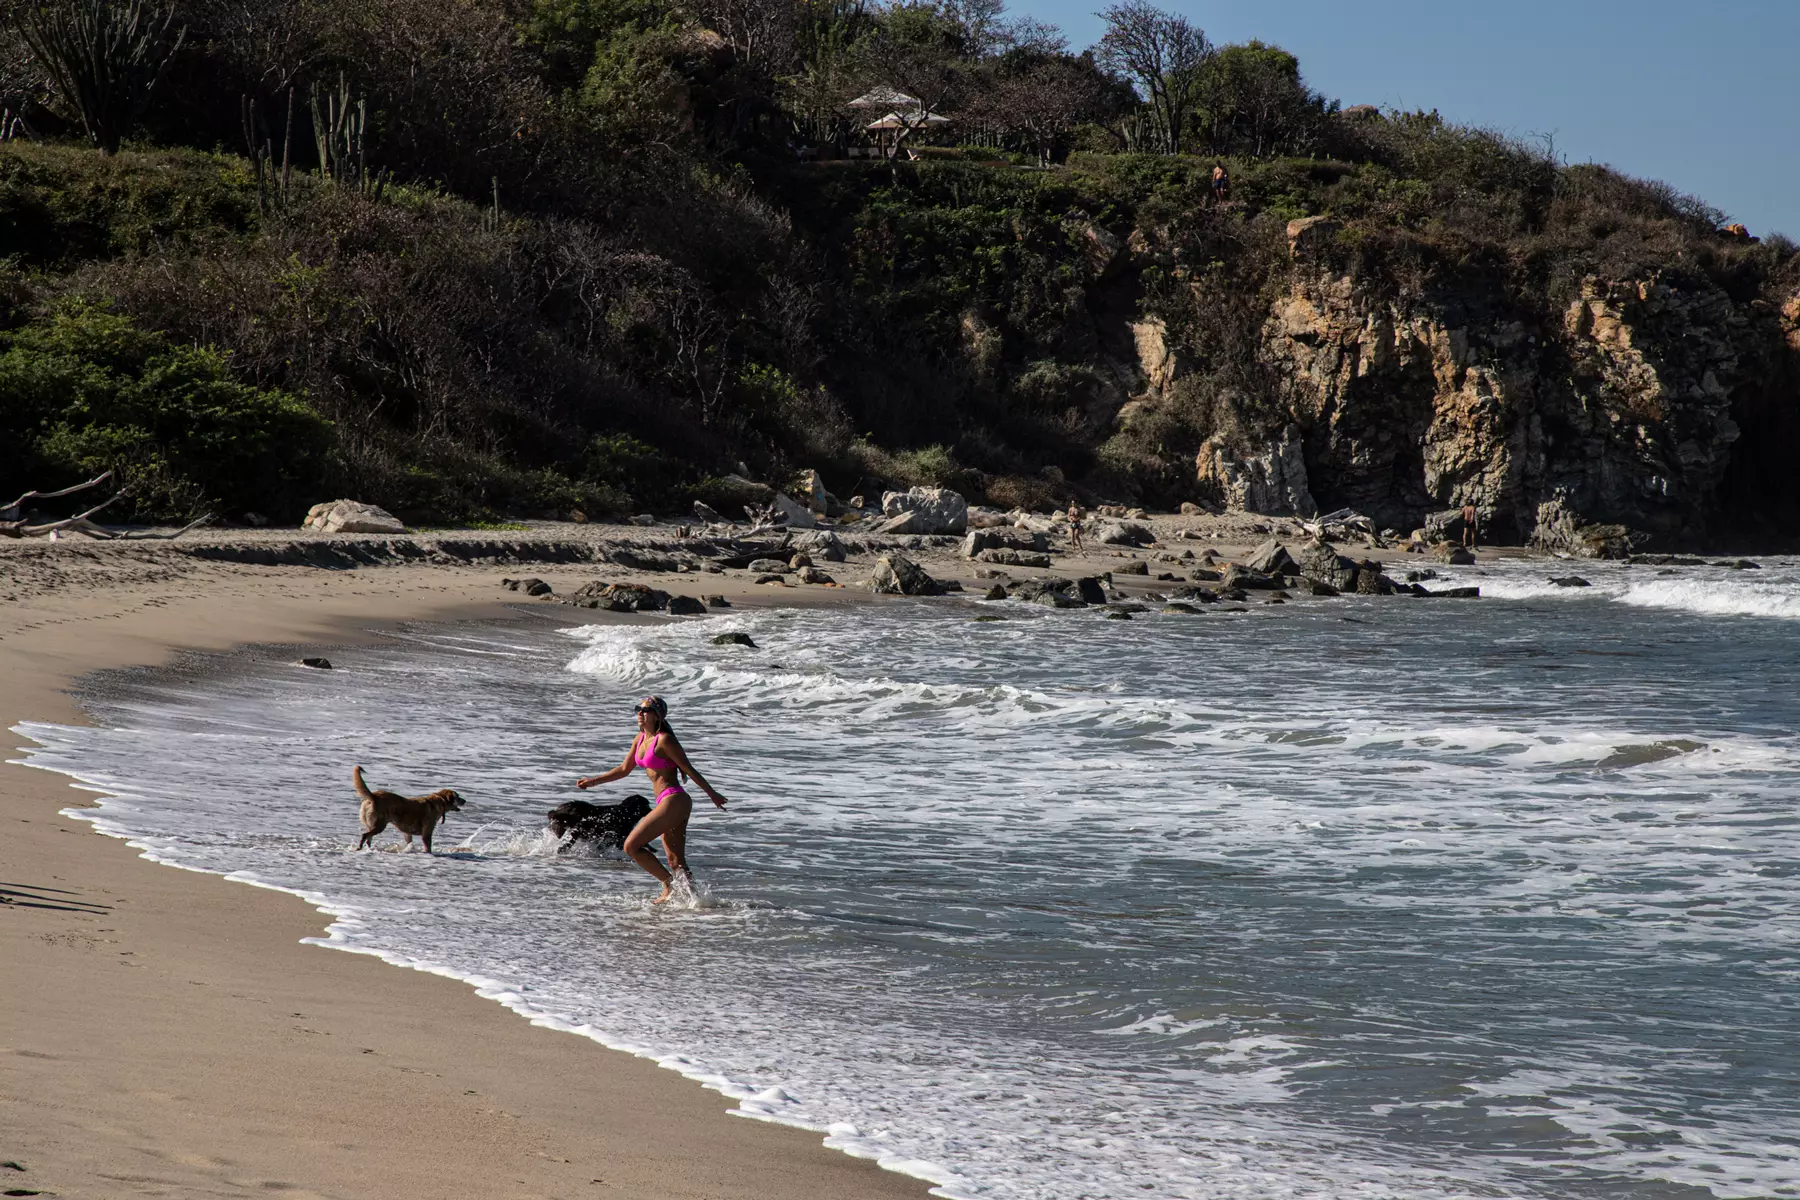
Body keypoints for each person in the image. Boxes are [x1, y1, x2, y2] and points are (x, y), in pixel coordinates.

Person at [576, 695, 727, 903]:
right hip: (666, 801)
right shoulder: (640, 738)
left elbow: (689, 769)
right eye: (638, 708)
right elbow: (623, 769)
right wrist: (592, 781)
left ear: (657, 716)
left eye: (645, 710)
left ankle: (668, 886)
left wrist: (713, 794)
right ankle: (697, 903)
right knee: (676, 861)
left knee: (631, 846)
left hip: (675, 799)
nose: (640, 712)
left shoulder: (664, 740)